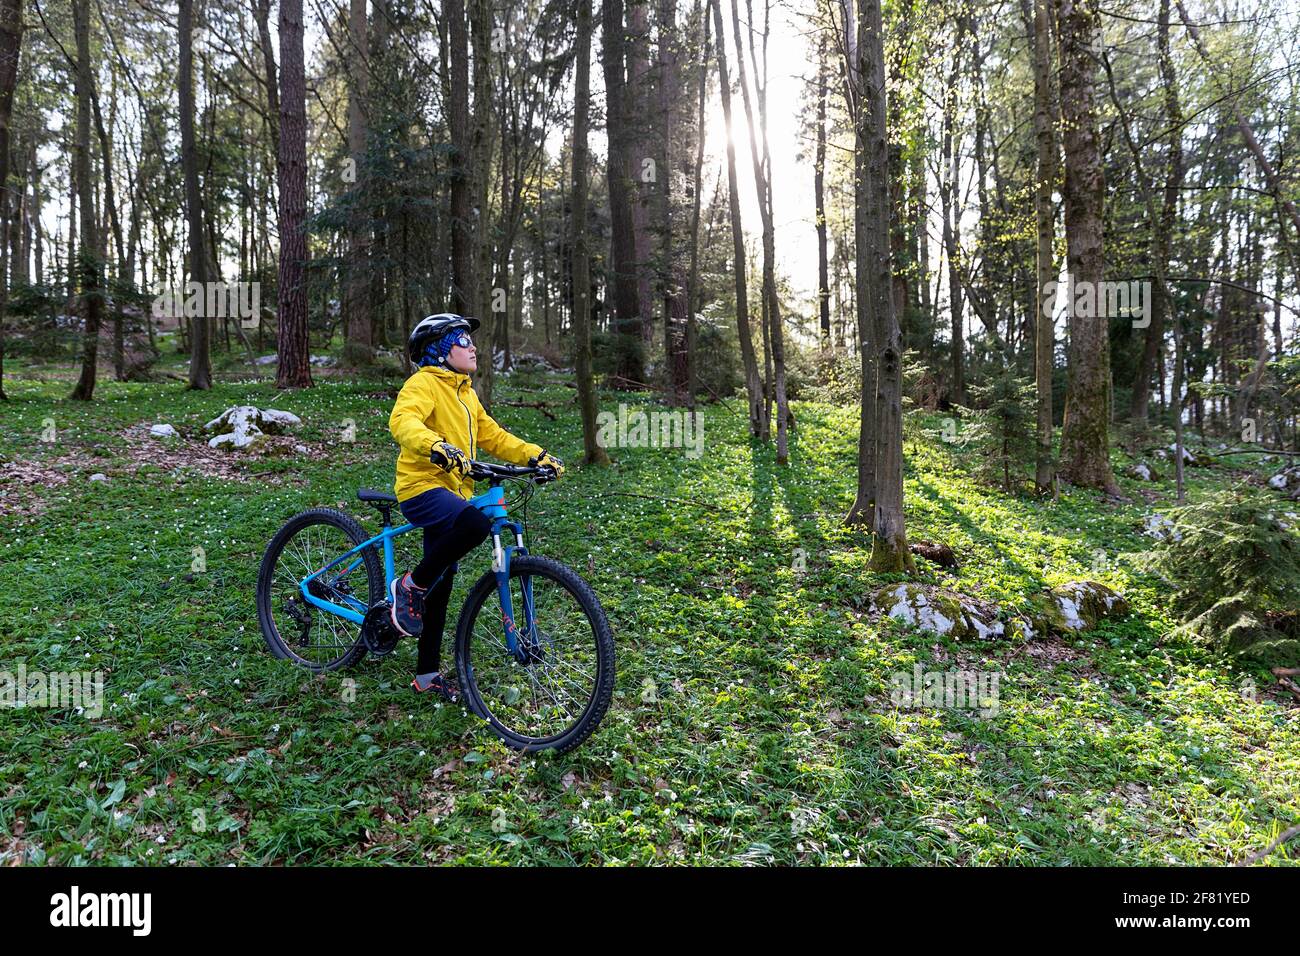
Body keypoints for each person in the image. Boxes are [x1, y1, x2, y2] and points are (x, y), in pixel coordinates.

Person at [387, 313, 564, 702]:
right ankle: (408, 586)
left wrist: (536, 455)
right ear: (439, 350)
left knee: (442, 584)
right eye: (462, 339)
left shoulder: (466, 393)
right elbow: (403, 422)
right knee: (474, 526)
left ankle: (426, 675)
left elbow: (493, 436)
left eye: (471, 339)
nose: (473, 346)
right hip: (422, 487)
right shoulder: (423, 383)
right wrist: (435, 446)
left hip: (452, 492)